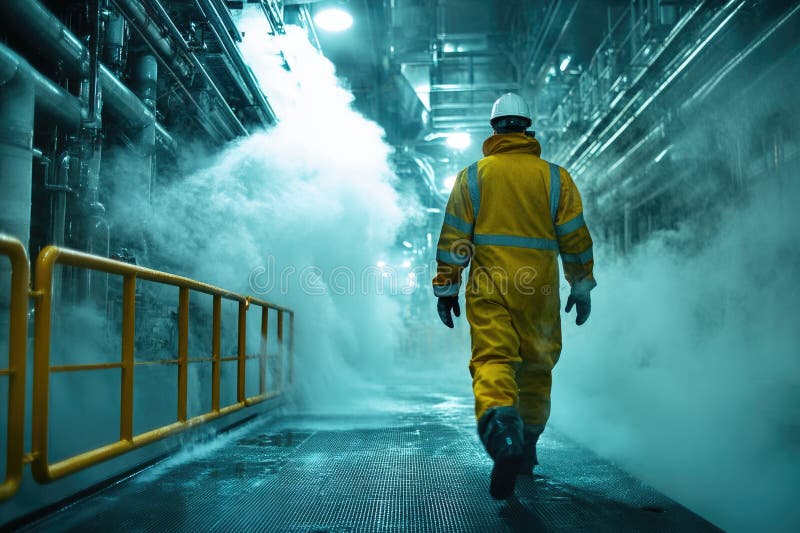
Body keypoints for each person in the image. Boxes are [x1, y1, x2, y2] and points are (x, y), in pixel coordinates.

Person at [432, 93, 596, 499]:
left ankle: (503, 433)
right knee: (537, 369)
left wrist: (447, 287)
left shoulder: (473, 176)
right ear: (527, 128)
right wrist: (580, 283)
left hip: (489, 289)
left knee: (493, 361)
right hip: (538, 291)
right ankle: (527, 449)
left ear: (494, 129)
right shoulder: (556, 178)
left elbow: (455, 237)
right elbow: (575, 238)